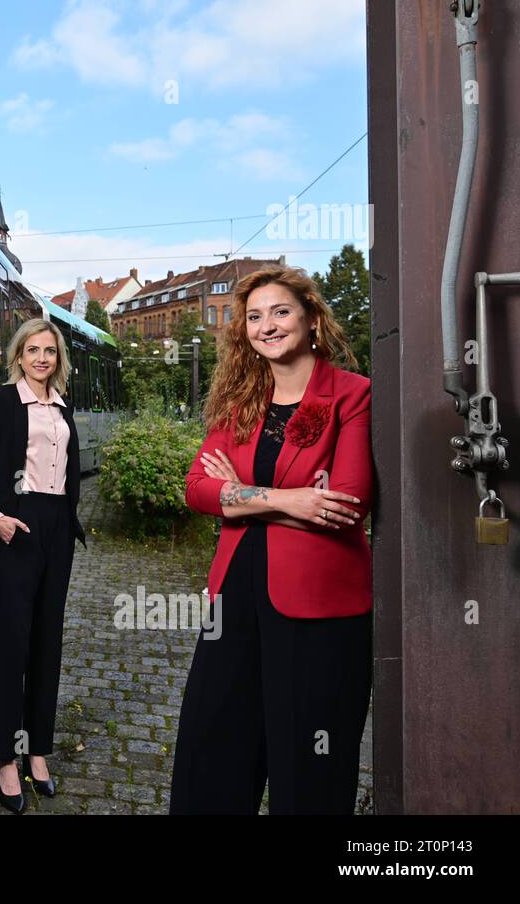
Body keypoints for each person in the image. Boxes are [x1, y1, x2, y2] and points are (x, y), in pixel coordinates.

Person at [169, 265, 374, 814]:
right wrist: (287, 499)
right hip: (234, 594)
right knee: (213, 744)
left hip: (318, 603)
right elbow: (197, 489)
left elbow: (344, 506)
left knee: (310, 757)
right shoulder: (241, 402)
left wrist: (241, 497)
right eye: (254, 317)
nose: (267, 325)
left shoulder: (352, 395)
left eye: (280, 311)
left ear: (310, 319)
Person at [0, 318, 87, 813]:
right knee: (13, 643)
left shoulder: (63, 406)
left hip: (57, 528)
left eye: (49, 351)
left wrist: (69, 522)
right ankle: (4, 757)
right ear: (18, 356)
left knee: (47, 643)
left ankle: (37, 750)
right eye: (32, 350)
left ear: (58, 359)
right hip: (18, 522)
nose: (41, 359)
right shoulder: (1, 401)